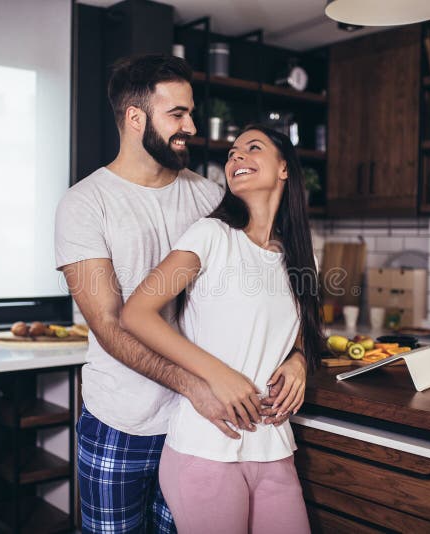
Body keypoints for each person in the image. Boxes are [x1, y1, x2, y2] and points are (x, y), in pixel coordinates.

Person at [55, 55, 307, 533]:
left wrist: (296, 356)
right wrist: (197, 385)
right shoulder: (85, 204)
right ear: (135, 118)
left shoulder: (212, 198)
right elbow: (111, 324)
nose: (190, 126)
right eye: (177, 114)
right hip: (123, 420)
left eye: (190, 113)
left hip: (204, 428)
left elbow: (266, 296)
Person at [120, 125, 324, 534]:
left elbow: (297, 327)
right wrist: (218, 375)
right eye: (232, 153)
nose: (236, 158)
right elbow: (136, 313)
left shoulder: (295, 254)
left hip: (273, 448)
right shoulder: (211, 235)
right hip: (207, 447)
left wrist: (300, 359)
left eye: (253, 148)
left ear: (284, 168)